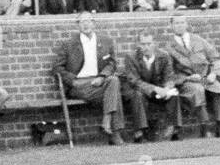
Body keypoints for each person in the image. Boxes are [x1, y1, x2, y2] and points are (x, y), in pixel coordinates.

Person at [52, 12, 126, 144]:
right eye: (82, 22)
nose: (85, 24)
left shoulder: (106, 41)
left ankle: (107, 122)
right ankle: (115, 132)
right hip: (79, 85)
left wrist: (102, 76)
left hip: (100, 82)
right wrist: (73, 81)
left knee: (113, 82)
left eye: (88, 21)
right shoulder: (69, 44)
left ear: (94, 23)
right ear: (77, 25)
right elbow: (57, 67)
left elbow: (112, 63)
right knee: (114, 88)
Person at [165, 13, 220, 137]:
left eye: (182, 22)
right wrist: (187, 78)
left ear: (187, 24)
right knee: (197, 90)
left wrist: (214, 74)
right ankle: (205, 129)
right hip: (187, 81)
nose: (180, 25)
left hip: (205, 78)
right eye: (176, 23)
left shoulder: (198, 40)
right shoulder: (169, 47)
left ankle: (219, 127)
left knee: (218, 90)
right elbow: (170, 73)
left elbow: (215, 58)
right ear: (171, 26)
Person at [123, 30, 182, 142]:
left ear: (154, 44)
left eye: (149, 43)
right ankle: (140, 132)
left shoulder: (164, 56)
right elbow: (134, 81)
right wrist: (155, 89)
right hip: (138, 90)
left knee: (174, 94)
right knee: (138, 95)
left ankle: (173, 130)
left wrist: (167, 89)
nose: (146, 47)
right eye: (143, 44)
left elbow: (169, 77)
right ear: (138, 45)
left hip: (159, 91)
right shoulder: (131, 57)